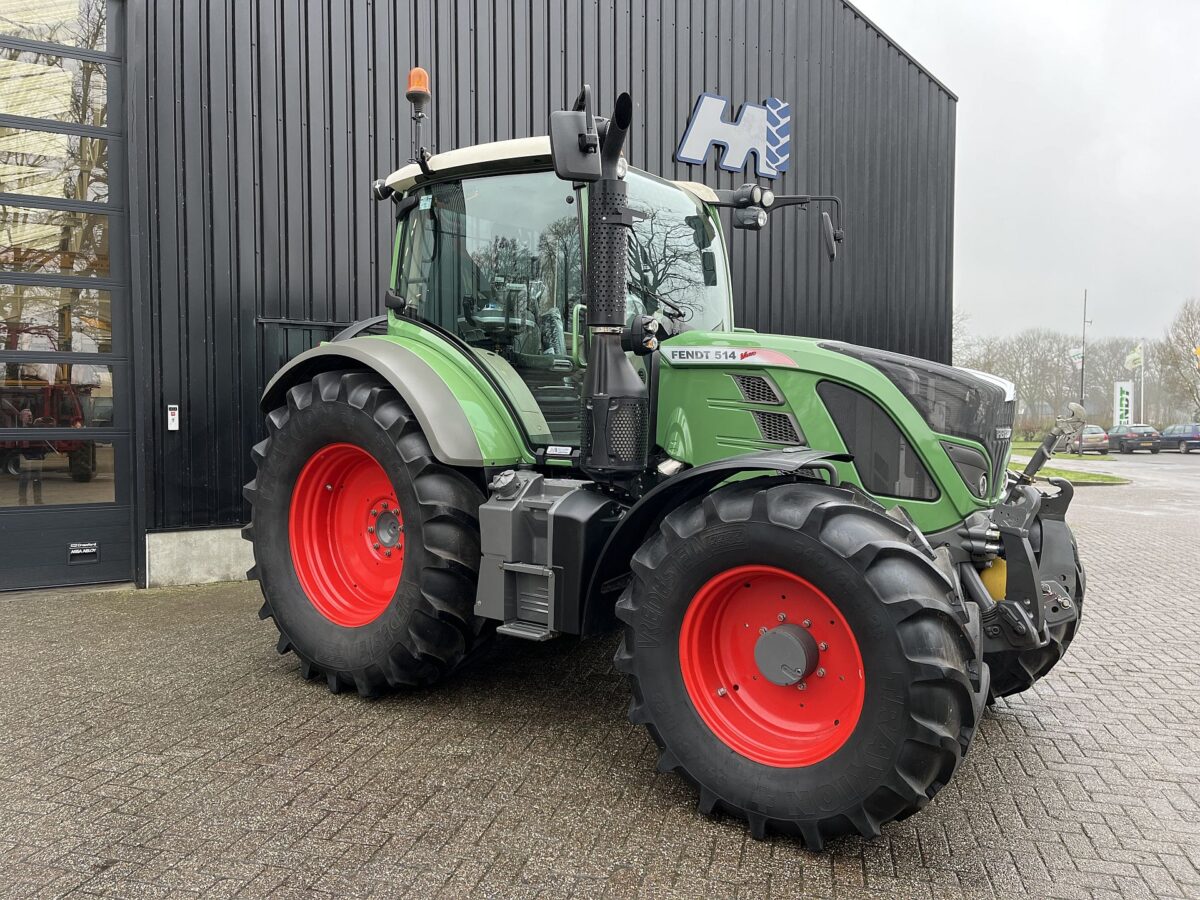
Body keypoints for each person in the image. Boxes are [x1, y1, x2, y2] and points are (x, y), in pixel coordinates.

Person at [18, 408, 47, 506]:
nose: (30, 416)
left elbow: (42, 442)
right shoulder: (18, 430)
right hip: (25, 457)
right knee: (24, 480)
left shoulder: (36, 428)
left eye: (30, 415)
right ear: (21, 418)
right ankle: (22, 501)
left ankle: (38, 501)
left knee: (37, 480)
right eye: (27, 415)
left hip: (37, 457)